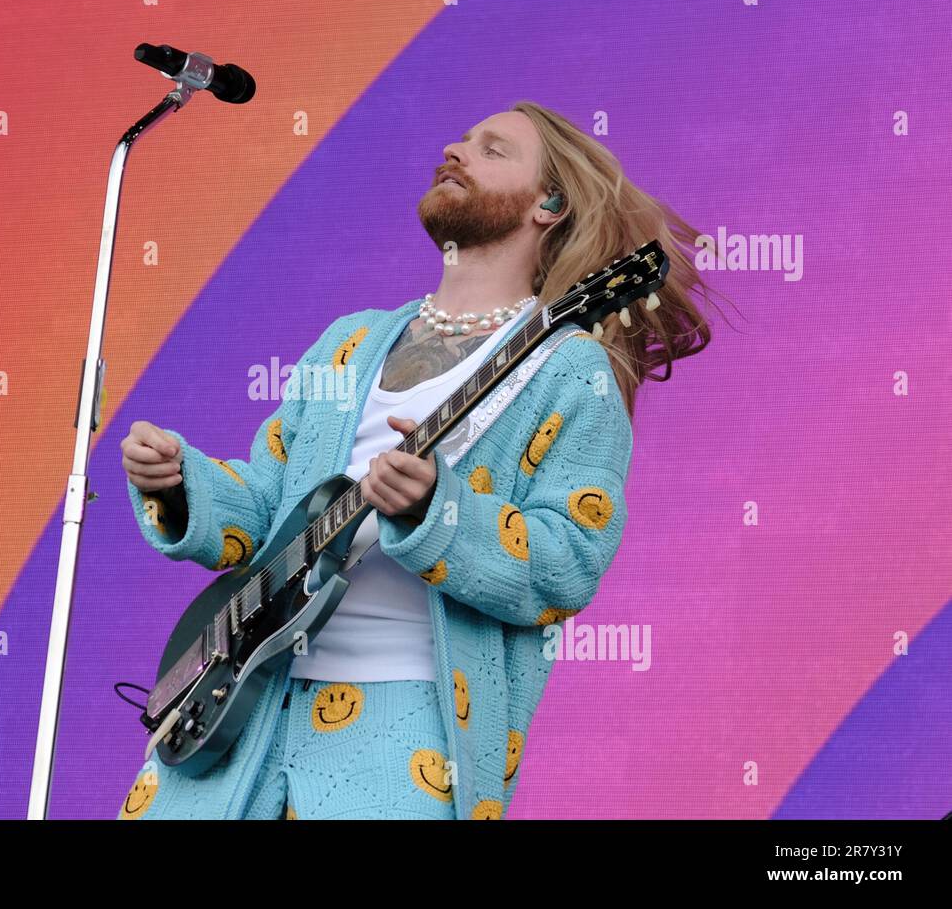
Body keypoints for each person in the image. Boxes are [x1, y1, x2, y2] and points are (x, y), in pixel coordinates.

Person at [116, 101, 716, 820]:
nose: (455, 149)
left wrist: (437, 509)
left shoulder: (568, 369)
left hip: (407, 734)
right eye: (460, 136)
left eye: (492, 149)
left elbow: (568, 564)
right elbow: (264, 511)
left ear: (549, 204)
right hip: (239, 707)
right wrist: (181, 483)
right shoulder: (350, 340)